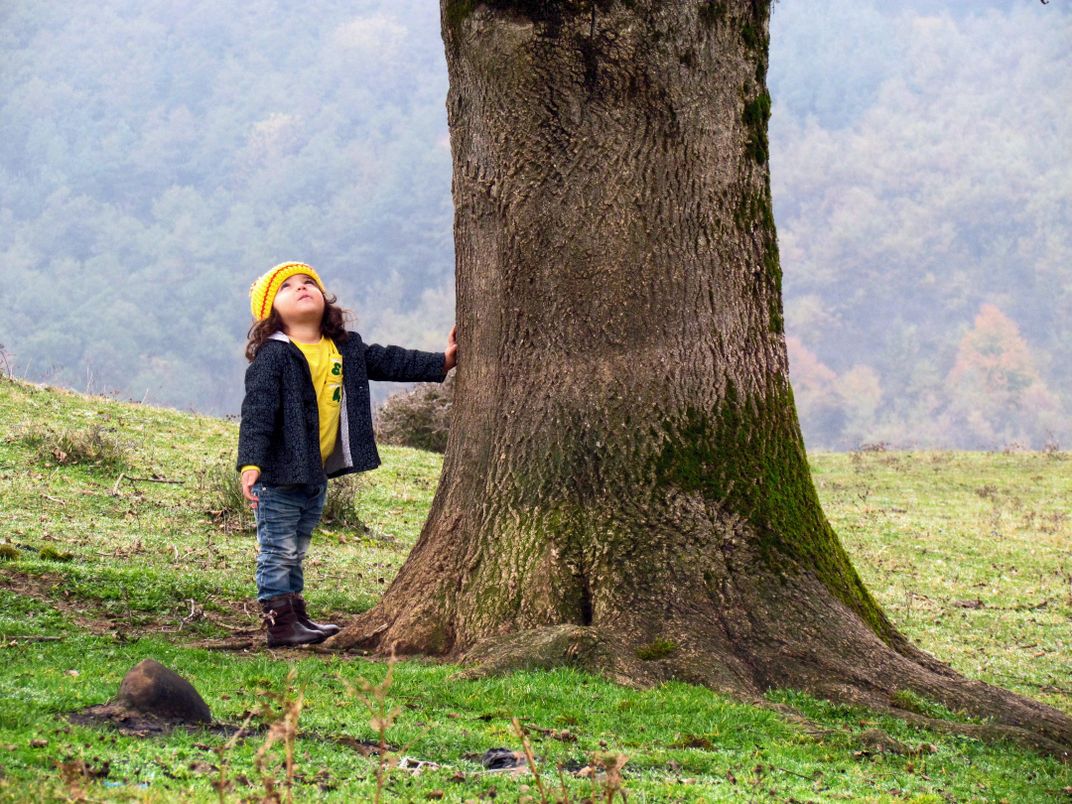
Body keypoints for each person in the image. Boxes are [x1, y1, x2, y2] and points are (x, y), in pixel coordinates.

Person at [237, 261, 457, 648]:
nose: (302, 288)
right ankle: (279, 623)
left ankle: (296, 613)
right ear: (270, 312)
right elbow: (257, 412)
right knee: (278, 549)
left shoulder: (343, 347)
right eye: (288, 287)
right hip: (277, 477)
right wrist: (250, 463)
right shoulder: (274, 356)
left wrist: (441, 361)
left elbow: (390, 360)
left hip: (314, 474)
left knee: (297, 548)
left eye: (309, 283)